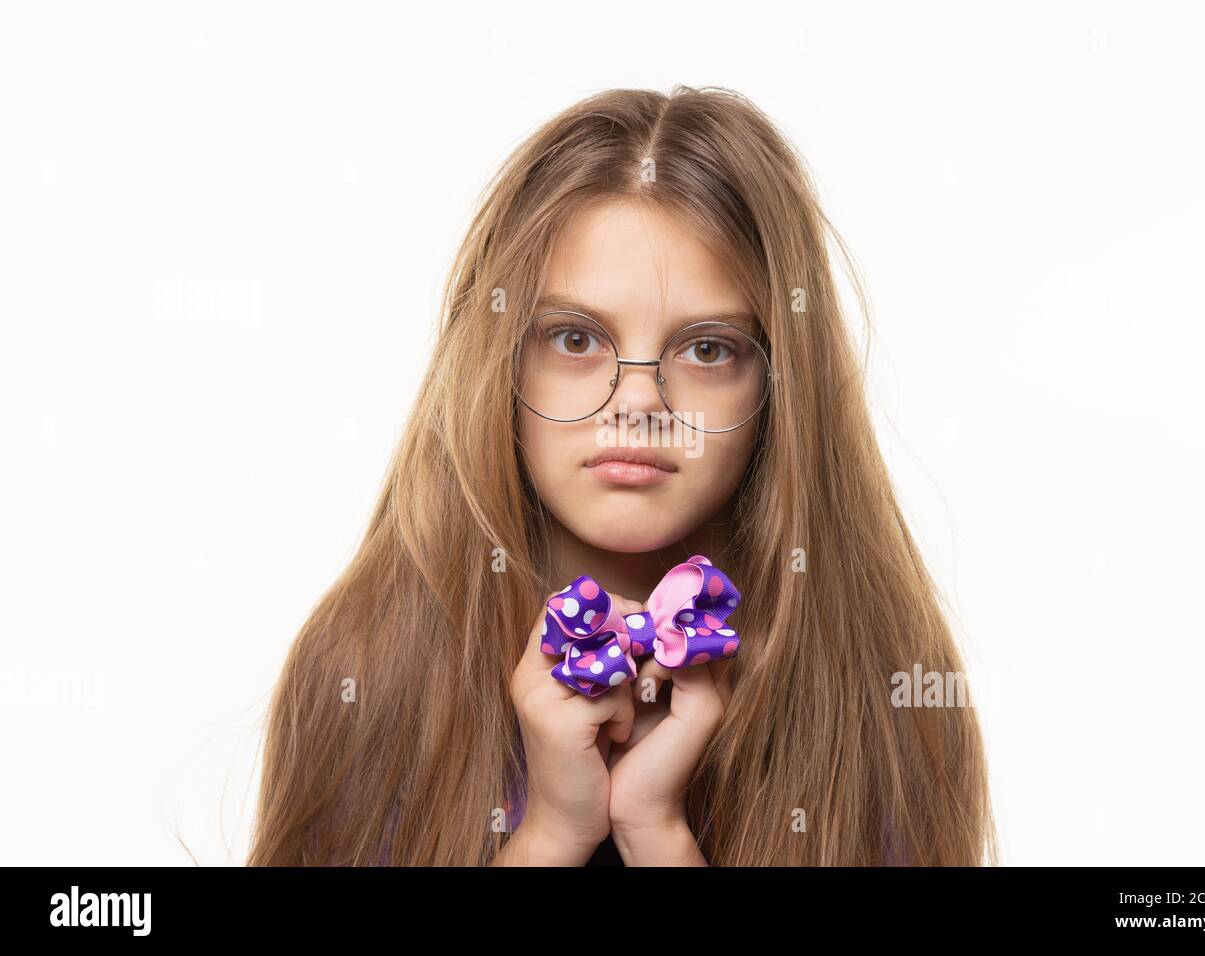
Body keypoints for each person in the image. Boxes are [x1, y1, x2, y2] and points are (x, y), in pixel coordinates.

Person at [247, 85, 997, 867]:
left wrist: (656, 834)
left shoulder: (882, 685)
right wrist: (550, 839)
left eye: (707, 349)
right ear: (499, 360)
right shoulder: (367, 667)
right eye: (575, 339)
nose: (637, 403)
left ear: (780, 385)